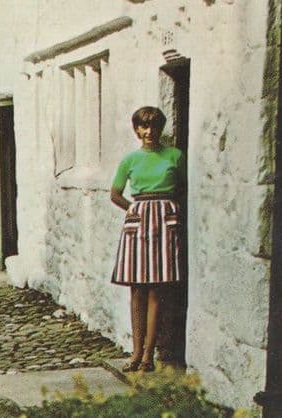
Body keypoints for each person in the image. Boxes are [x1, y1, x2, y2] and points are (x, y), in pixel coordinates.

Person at [109, 106, 186, 373]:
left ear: (161, 129)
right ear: (136, 129)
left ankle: (148, 356)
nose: (148, 132)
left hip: (165, 221)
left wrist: (171, 212)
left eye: (153, 126)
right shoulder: (130, 160)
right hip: (139, 219)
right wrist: (133, 209)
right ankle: (136, 351)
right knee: (137, 289)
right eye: (143, 126)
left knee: (156, 289)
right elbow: (115, 193)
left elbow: (184, 189)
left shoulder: (175, 156)